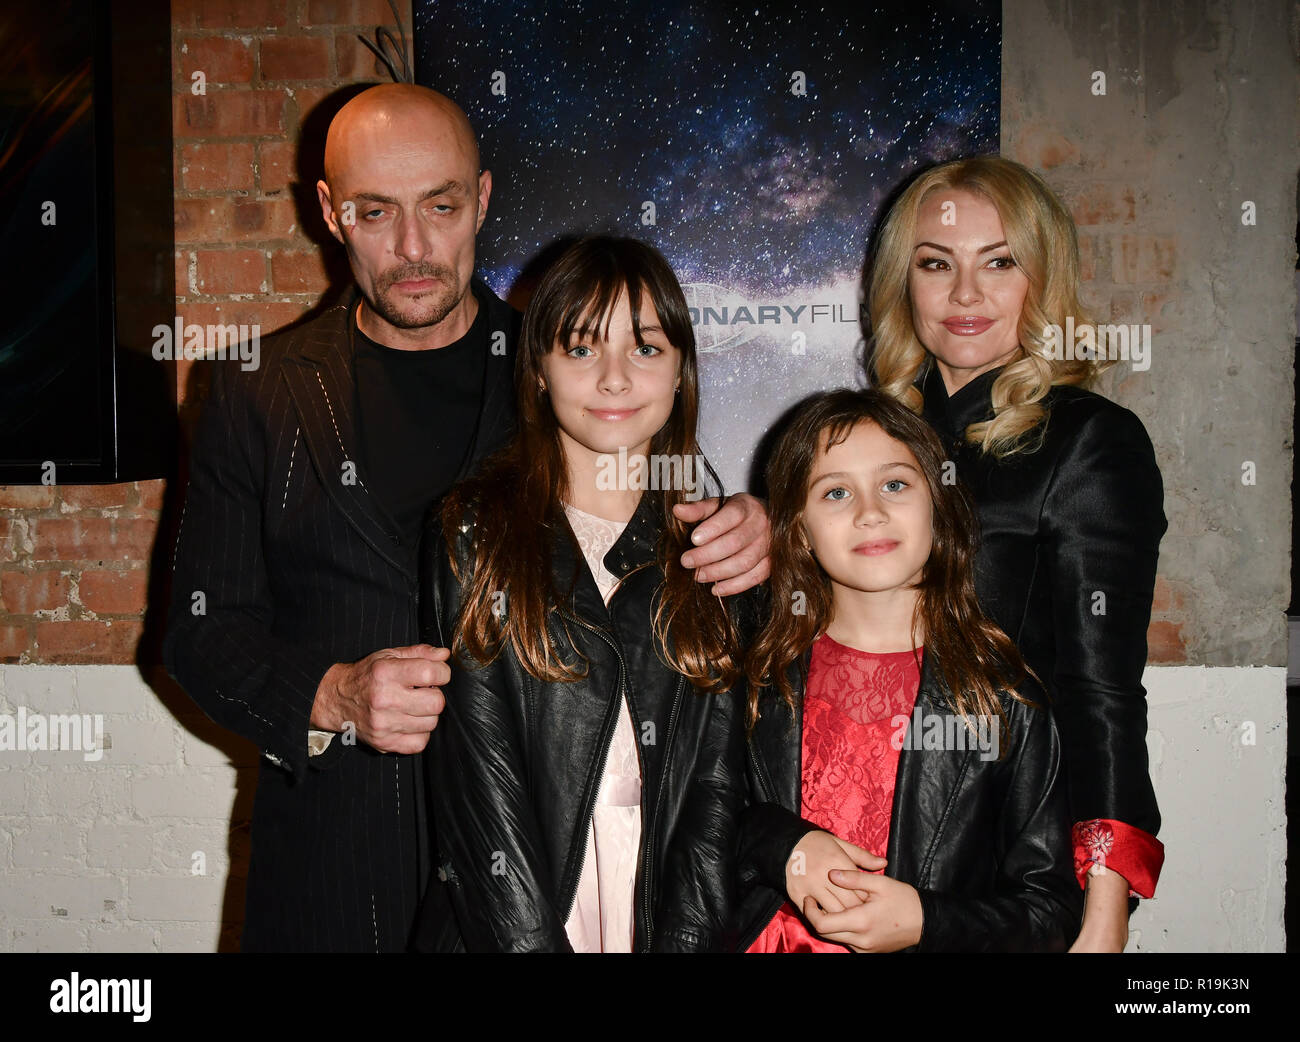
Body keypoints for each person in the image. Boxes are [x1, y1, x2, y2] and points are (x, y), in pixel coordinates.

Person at [162, 85, 769, 952]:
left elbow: (673, 509)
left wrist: (751, 526)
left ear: (481, 199)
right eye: (377, 213)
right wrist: (332, 694)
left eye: (440, 208)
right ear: (331, 213)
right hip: (344, 857)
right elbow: (198, 632)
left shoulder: (566, 358)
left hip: (547, 858)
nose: (413, 248)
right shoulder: (256, 389)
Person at [865, 154, 1167, 952]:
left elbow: (1101, 692)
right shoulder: (858, 442)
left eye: (1000, 263)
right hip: (841, 831)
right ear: (904, 282)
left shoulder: (1090, 444)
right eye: (937, 264)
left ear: (1043, 277)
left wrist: (1104, 912)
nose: (966, 295)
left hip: (998, 860)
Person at [412, 237, 747, 952]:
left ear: (682, 368)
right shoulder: (476, 531)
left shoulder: (713, 551)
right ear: (537, 369)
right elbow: (482, 790)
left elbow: (715, 801)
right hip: (522, 912)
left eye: (647, 348)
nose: (617, 379)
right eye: (582, 347)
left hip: (654, 906)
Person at [733, 389, 1081, 952]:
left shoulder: (1005, 700)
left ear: (937, 505)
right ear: (798, 530)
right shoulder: (752, 678)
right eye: (836, 492)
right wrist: (785, 848)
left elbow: (1051, 912)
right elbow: (693, 831)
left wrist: (928, 921)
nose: (870, 512)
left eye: (895, 484)